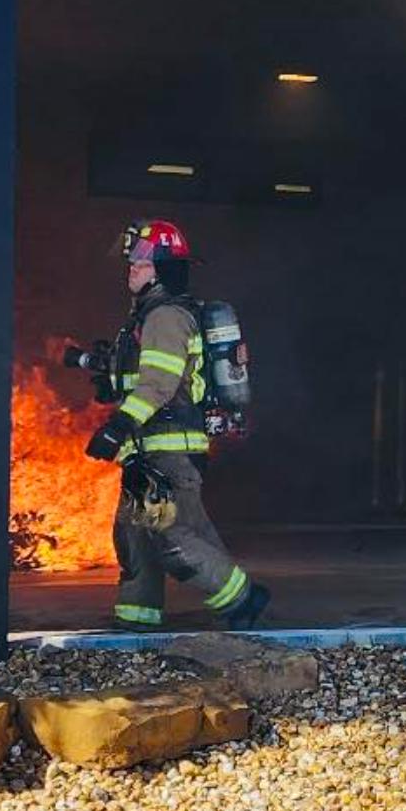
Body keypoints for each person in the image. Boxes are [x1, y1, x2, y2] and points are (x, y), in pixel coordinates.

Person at [84, 219, 269, 632]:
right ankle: (137, 618)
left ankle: (242, 599)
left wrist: (117, 426)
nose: (132, 268)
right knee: (135, 535)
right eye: (132, 261)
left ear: (163, 270)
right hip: (148, 447)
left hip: (169, 448)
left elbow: (158, 385)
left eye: (143, 262)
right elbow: (144, 378)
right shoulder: (147, 317)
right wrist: (110, 381)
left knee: (172, 533)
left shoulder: (166, 317)